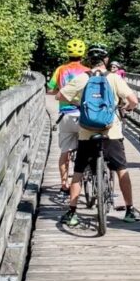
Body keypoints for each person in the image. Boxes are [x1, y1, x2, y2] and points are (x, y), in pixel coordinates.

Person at [59, 43, 140, 226]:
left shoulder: (82, 78)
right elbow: (134, 101)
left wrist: (79, 103)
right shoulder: (114, 78)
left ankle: (72, 213)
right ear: (106, 60)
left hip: (86, 132)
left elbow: (60, 96)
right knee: (121, 169)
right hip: (111, 131)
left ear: (89, 61)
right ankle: (130, 210)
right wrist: (126, 108)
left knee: (79, 172)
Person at [47, 38, 87, 194]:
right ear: (82, 55)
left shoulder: (60, 70)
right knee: (87, 147)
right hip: (84, 116)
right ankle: (86, 177)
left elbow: (50, 89)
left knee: (65, 151)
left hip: (66, 115)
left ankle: (64, 184)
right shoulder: (87, 71)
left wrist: (59, 92)